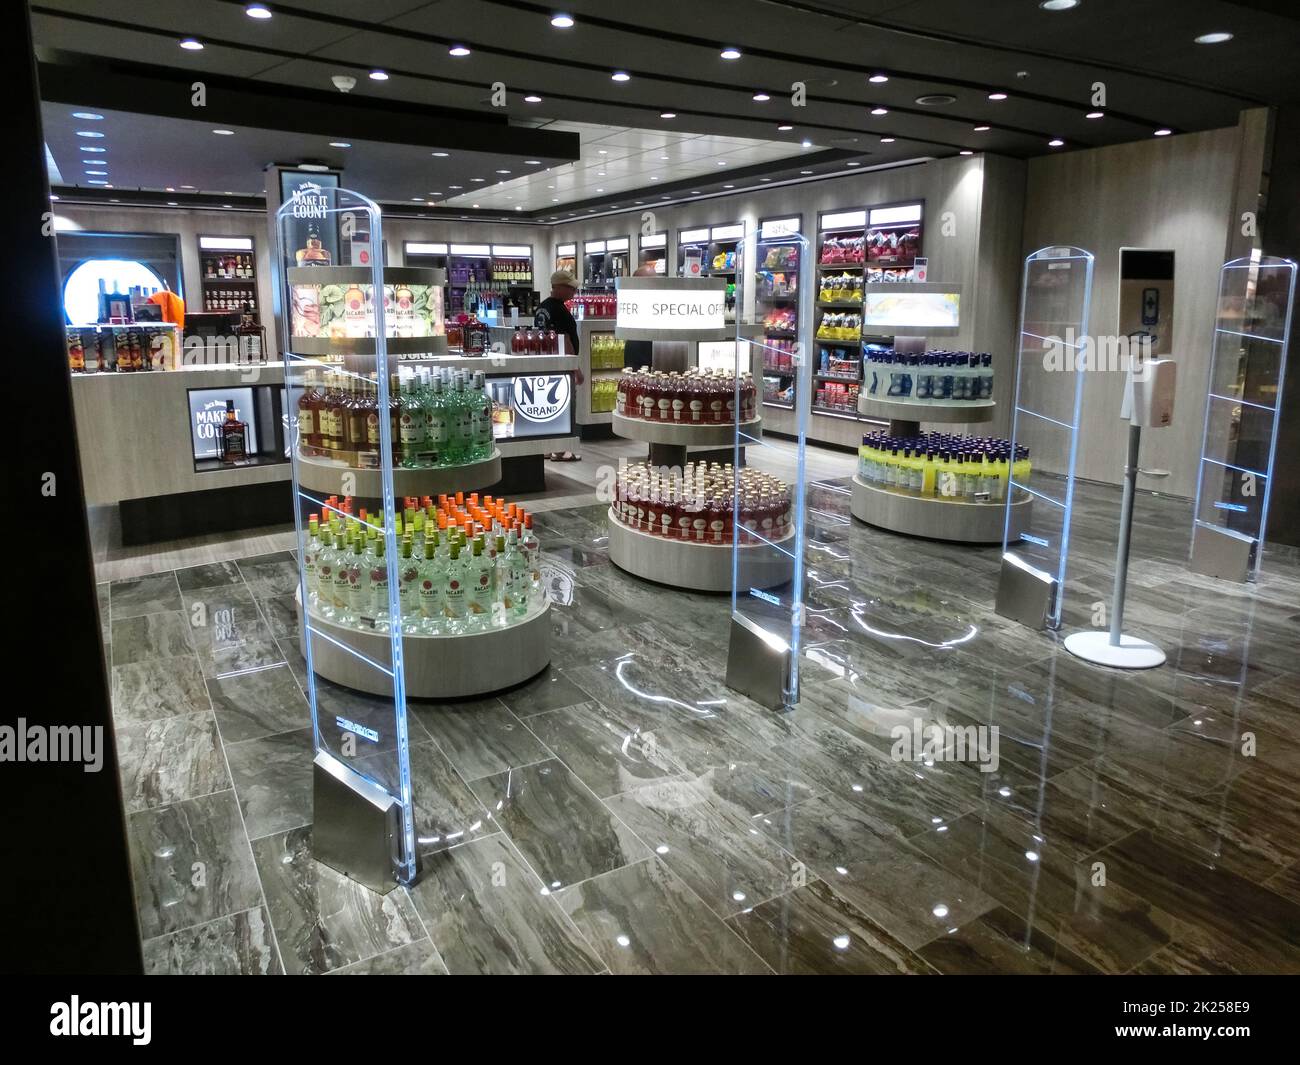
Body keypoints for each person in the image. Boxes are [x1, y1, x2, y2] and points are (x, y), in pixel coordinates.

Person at [535, 269, 582, 461]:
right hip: (562, 366)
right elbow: (566, 341)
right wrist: (575, 369)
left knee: (548, 408)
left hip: (546, 364)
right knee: (565, 408)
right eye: (571, 288)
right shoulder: (560, 311)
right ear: (559, 287)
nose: (574, 292)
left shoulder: (542, 307)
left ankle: (547, 447)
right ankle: (562, 450)